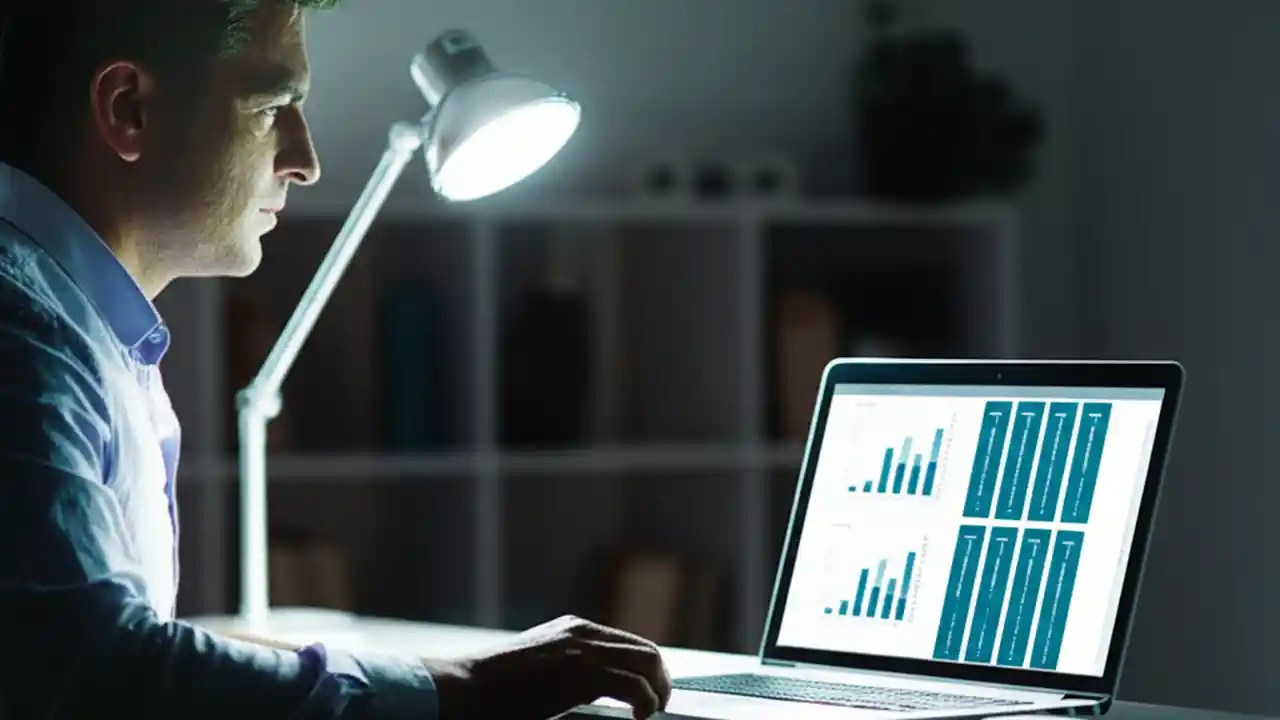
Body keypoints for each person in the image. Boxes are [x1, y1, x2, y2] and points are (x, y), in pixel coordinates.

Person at [0, 2, 671, 718]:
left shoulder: (80, 323)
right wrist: (464, 692)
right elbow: (94, 666)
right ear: (128, 109)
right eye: (274, 106)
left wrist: (442, 673)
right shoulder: (25, 333)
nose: (306, 161)